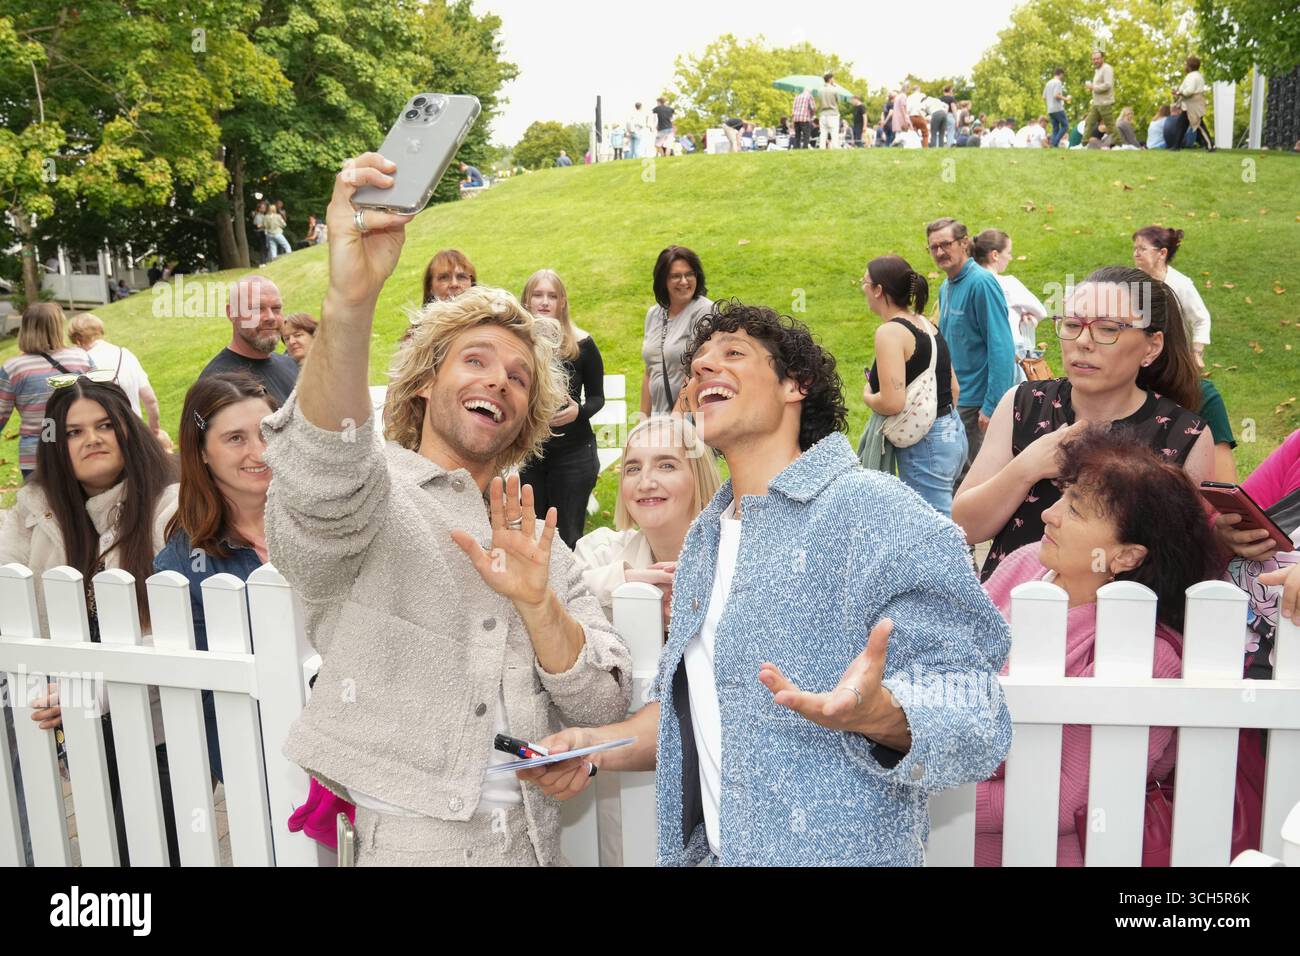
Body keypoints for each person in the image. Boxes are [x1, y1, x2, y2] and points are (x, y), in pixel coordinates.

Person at [520, 300, 1013, 866]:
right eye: (698, 363)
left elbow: (979, 713)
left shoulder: (877, 513)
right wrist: (592, 746)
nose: (704, 369)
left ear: (795, 385)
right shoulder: (706, 538)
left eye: (733, 354)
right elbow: (696, 714)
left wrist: (879, 715)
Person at [259, 153, 630, 866]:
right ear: (426, 383)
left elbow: (604, 706)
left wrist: (539, 605)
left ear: (527, 418)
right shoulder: (374, 495)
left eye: (520, 377)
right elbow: (323, 475)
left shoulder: (542, 541)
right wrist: (348, 301)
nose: (500, 378)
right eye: (477, 359)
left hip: (531, 848)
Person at [976, 425, 1217, 866]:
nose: (1050, 514)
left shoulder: (1146, 656)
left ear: (1127, 556)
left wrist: (919, 788)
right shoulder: (1026, 564)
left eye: (1078, 509)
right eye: (1062, 496)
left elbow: (1061, 799)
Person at [0, 376, 179, 866]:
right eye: (74, 432)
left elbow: (183, 635)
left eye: (104, 425)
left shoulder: (171, 509)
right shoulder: (35, 516)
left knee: (161, 845)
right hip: (73, 731)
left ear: (129, 431)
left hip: (162, 727)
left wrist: (89, 686)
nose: (92, 439)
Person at [952, 265, 1214, 580]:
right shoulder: (1024, 404)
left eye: (1107, 329)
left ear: (1151, 346)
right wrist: (1027, 467)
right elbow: (963, 526)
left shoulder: (1183, 435)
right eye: (1072, 324)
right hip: (1010, 613)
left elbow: (1181, 563)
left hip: (1120, 621)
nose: (1083, 341)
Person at [153, 372, 277, 787]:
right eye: (236, 439)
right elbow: (207, 698)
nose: (259, 451)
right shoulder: (183, 564)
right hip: (267, 762)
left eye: (266, 432)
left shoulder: (328, 519)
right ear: (202, 452)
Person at [573, 414, 722, 619]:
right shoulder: (599, 553)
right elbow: (556, 601)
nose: (645, 484)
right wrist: (625, 584)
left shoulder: (736, 560)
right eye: (633, 469)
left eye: (666, 465)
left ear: (699, 477)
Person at [859, 255, 967, 516]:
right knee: (944, 517)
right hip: (952, 431)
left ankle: (958, 558)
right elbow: (954, 389)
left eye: (865, 282)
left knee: (932, 525)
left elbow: (892, 402)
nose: (863, 287)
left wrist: (868, 396)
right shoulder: (926, 325)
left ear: (878, 290)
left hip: (926, 444)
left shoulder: (890, 332)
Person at [517, 269, 605, 550]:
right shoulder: (518, 344)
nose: (544, 302)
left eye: (552, 296)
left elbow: (596, 397)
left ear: (562, 302)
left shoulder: (582, 344)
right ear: (527, 301)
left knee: (567, 535)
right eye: (538, 295)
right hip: (531, 453)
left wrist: (578, 412)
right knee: (532, 531)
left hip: (574, 455)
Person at [928, 218, 1016, 486]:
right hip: (955, 399)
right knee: (955, 477)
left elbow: (1002, 347)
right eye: (933, 247)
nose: (940, 252)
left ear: (964, 243)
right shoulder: (947, 286)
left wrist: (991, 406)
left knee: (975, 481)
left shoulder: (981, 283)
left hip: (977, 405)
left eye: (946, 244)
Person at [0, 303, 96, 481]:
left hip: (37, 456)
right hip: (79, 449)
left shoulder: (13, 369)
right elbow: (101, 398)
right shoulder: (80, 357)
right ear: (57, 327)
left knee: (41, 507)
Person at [66, 312, 165, 444]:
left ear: (77, 340)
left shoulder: (82, 363)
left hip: (107, 438)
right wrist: (154, 430)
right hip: (136, 432)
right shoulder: (125, 354)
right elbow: (150, 399)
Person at [198, 275, 299, 404]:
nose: (270, 317)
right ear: (232, 313)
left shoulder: (291, 365)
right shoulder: (217, 384)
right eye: (257, 308)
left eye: (276, 309)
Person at [641, 245, 713, 416]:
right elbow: (650, 370)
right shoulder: (654, 314)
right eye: (675, 276)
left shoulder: (705, 311)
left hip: (691, 417)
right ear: (663, 280)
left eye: (689, 274)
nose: (684, 281)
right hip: (660, 418)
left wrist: (676, 418)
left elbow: (696, 371)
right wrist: (643, 420)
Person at [972, 229, 1047, 379]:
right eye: (1008, 252)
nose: (1010, 257)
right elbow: (1041, 312)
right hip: (1008, 359)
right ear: (995, 255)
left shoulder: (966, 284)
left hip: (973, 362)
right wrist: (1027, 317)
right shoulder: (1008, 284)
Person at [1131, 225, 1211, 367]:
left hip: (1171, 356)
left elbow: (1202, 320)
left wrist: (1196, 353)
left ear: (1162, 253)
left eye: (1142, 249)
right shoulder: (1132, 279)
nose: (1136, 254)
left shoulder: (1181, 284)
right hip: (1139, 353)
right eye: (1135, 249)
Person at [1169, 56, 1208, 152]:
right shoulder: (1198, 76)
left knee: (1198, 125)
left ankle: (1211, 145)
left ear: (1189, 66)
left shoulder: (1191, 76)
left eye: (1186, 64)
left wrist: (1178, 92)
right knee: (1181, 123)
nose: (1184, 66)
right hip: (1192, 104)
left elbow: (1189, 91)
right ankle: (1176, 146)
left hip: (1192, 103)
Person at [1083, 49, 1115, 143]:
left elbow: (1107, 85)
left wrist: (1093, 87)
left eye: (1098, 58)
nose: (1095, 61)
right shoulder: (1098, 71)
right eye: (1094, 59)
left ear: (1102, 58)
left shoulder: (1106, 69)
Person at [1044, 68, 1071, 147]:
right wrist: (1066, 99)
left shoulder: (1048, 83)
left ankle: (1053, 145)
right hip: (1057, 108)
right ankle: (1054, 143)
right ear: (1061, 74)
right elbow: (1056, 95)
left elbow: (1044, 97)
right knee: (1065, 126)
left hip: (1050, 109)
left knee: (1055, 128)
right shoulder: (1058, 82)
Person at [816, 72, 843, 150]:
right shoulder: (834, 89)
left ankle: (822, 148)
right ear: (830, 79)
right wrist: (834, 86)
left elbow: (819, 101)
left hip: (823, 113)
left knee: (823, 133)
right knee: (834, 132)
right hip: (833, 113)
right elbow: (839, 100)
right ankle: (835, 147)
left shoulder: (820, 90)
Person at [906, 84, 929, 148]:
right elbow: (926, 106)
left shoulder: (909, 97)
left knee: (914, 134)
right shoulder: (923, 95)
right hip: (920, 116)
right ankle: (925, 148)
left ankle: (914, 147)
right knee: (925, 134)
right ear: (919, 89)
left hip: (911, 117)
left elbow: (907, 110)